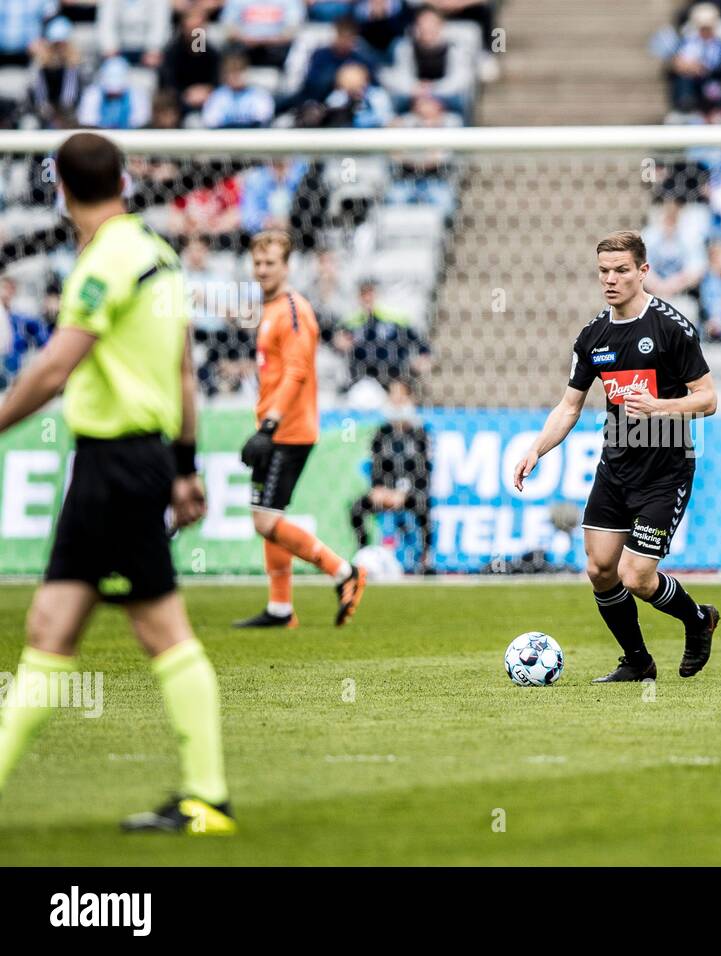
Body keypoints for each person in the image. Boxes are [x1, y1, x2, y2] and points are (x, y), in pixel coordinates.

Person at [0, 132, 234, 834]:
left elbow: (53, 367)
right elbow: (184, 372)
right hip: (137, 462)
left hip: (114, 466)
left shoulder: (103, 263)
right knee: (51, 626)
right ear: (126, 183)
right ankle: (206, 795)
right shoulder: (159, 255)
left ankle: (208, 796)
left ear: (60, 190)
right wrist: (186, 465)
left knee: (161, 629)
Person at [512, 231, 721, 683]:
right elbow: (569, 406)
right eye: (604, 271)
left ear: (643, 271)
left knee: (637, 577)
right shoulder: (593, 335)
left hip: (666, 467)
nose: (611, 279)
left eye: (621, 270)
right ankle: (638, 661)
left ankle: (698, 619)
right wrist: (536, 449)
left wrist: (661, 407)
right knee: (600, 568)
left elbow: (708, 399)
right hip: (616, 466)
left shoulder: (671, 327)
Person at [234, 230, 367, 628]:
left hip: (288, 431)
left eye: (270, 263)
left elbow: (296, 373)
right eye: (257, 263)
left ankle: (344, 572)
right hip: (273, 428)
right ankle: (280, 609)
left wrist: (270, 425)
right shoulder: (271, 308)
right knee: (267, 514)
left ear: (287, 267)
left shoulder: (293, 310)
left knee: (266, 520)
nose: (262, 270)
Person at [350, 379, 434, 573]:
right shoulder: (381, 433)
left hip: (409, 493)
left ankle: (425, 560)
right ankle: (364, 553)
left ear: (410, 399)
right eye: (393, 397)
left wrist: (404, 493)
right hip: (385, 491)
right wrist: (379, 490)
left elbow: (424, 472)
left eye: (401, 397)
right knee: (356, 508)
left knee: (423, 507)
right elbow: (376, 467)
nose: (396, 402)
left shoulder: (419, 434)